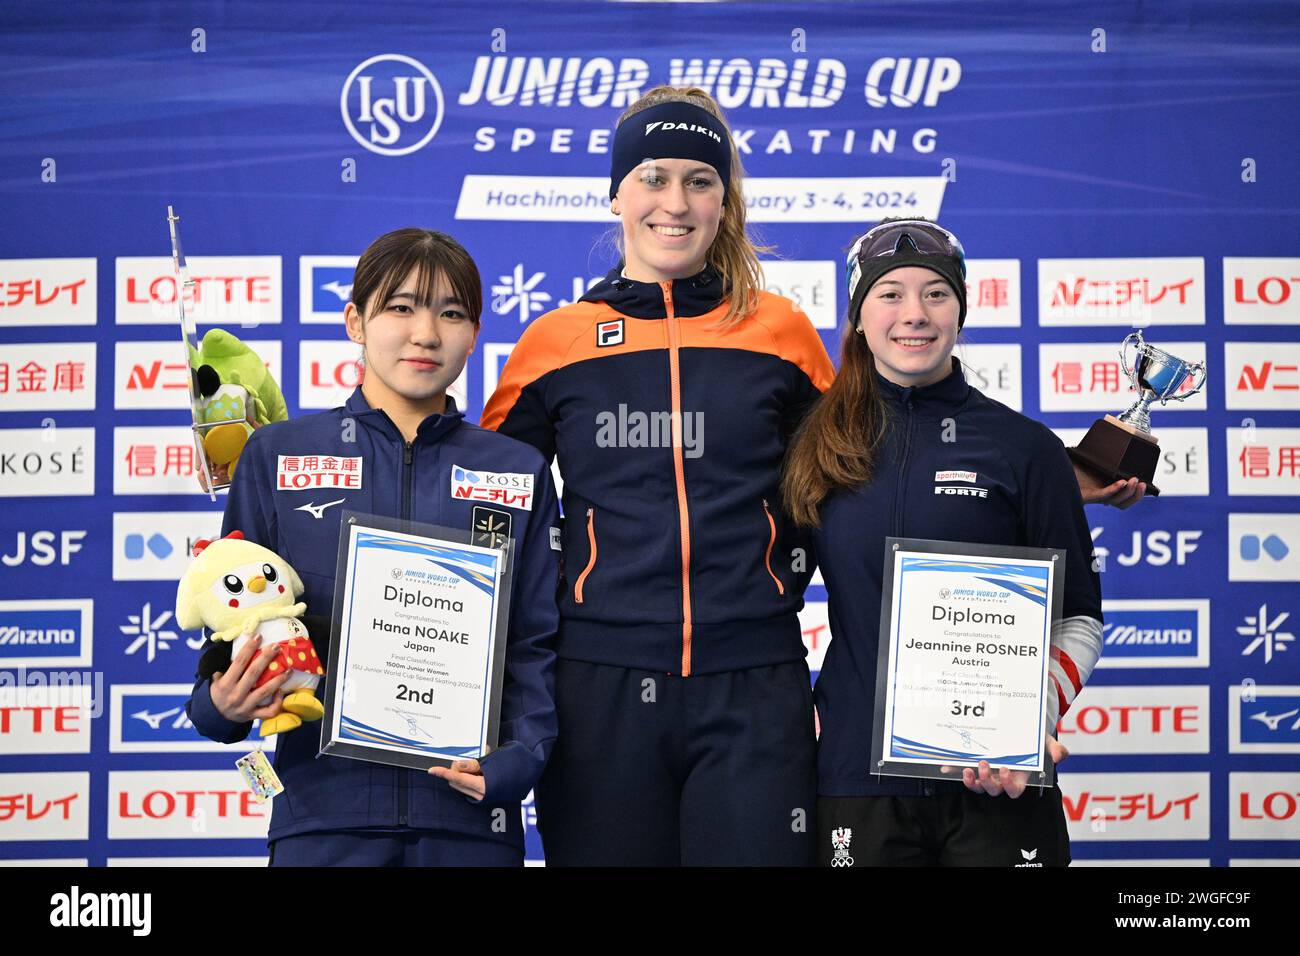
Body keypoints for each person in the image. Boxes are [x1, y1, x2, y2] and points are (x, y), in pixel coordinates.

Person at [481, 86, 835, 865]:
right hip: (598, 686)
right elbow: (474, 498)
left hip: (755, 680)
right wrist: (301, 490)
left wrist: (1036, 488)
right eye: (653, 176)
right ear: (616, 194)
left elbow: (853, 486)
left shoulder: (781, 332)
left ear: (723, 200)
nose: (675, 202)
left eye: (699, 180)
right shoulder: (556, 341)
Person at [184, 228, 561, 866]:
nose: (426, 333)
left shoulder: (518, 469)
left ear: (474, 332)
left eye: (452, 312)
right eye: (401, 307)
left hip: (468, 823)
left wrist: (517, 762)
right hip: (323, 822)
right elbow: (235, 621)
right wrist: (219, 705)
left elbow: (535, 641)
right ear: (355, 320)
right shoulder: (276, 456)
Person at [783, 218, 1105, 867]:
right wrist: (793, 718)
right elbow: (762, 597)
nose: (915, 314)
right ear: (858, 314)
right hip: (856, 779)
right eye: (890, 294)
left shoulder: (1024, 448)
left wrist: (1027, 724)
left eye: (935, 293)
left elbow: (1078, 617)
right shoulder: (814, 442)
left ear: (961, 308)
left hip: (996, 779)